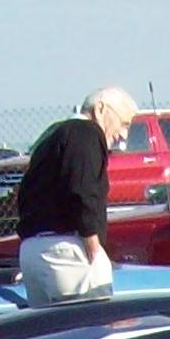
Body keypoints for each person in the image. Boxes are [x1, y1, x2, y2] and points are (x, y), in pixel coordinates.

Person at [14, 88, 137, 303]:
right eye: (124, 123)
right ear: (100, 109)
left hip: (33, 250)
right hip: (67, 250)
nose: (123, 135)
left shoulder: (54, 136)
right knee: (91, 321)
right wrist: (94, 248)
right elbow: (82, 190)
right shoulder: (86, 132)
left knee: (49, 325)